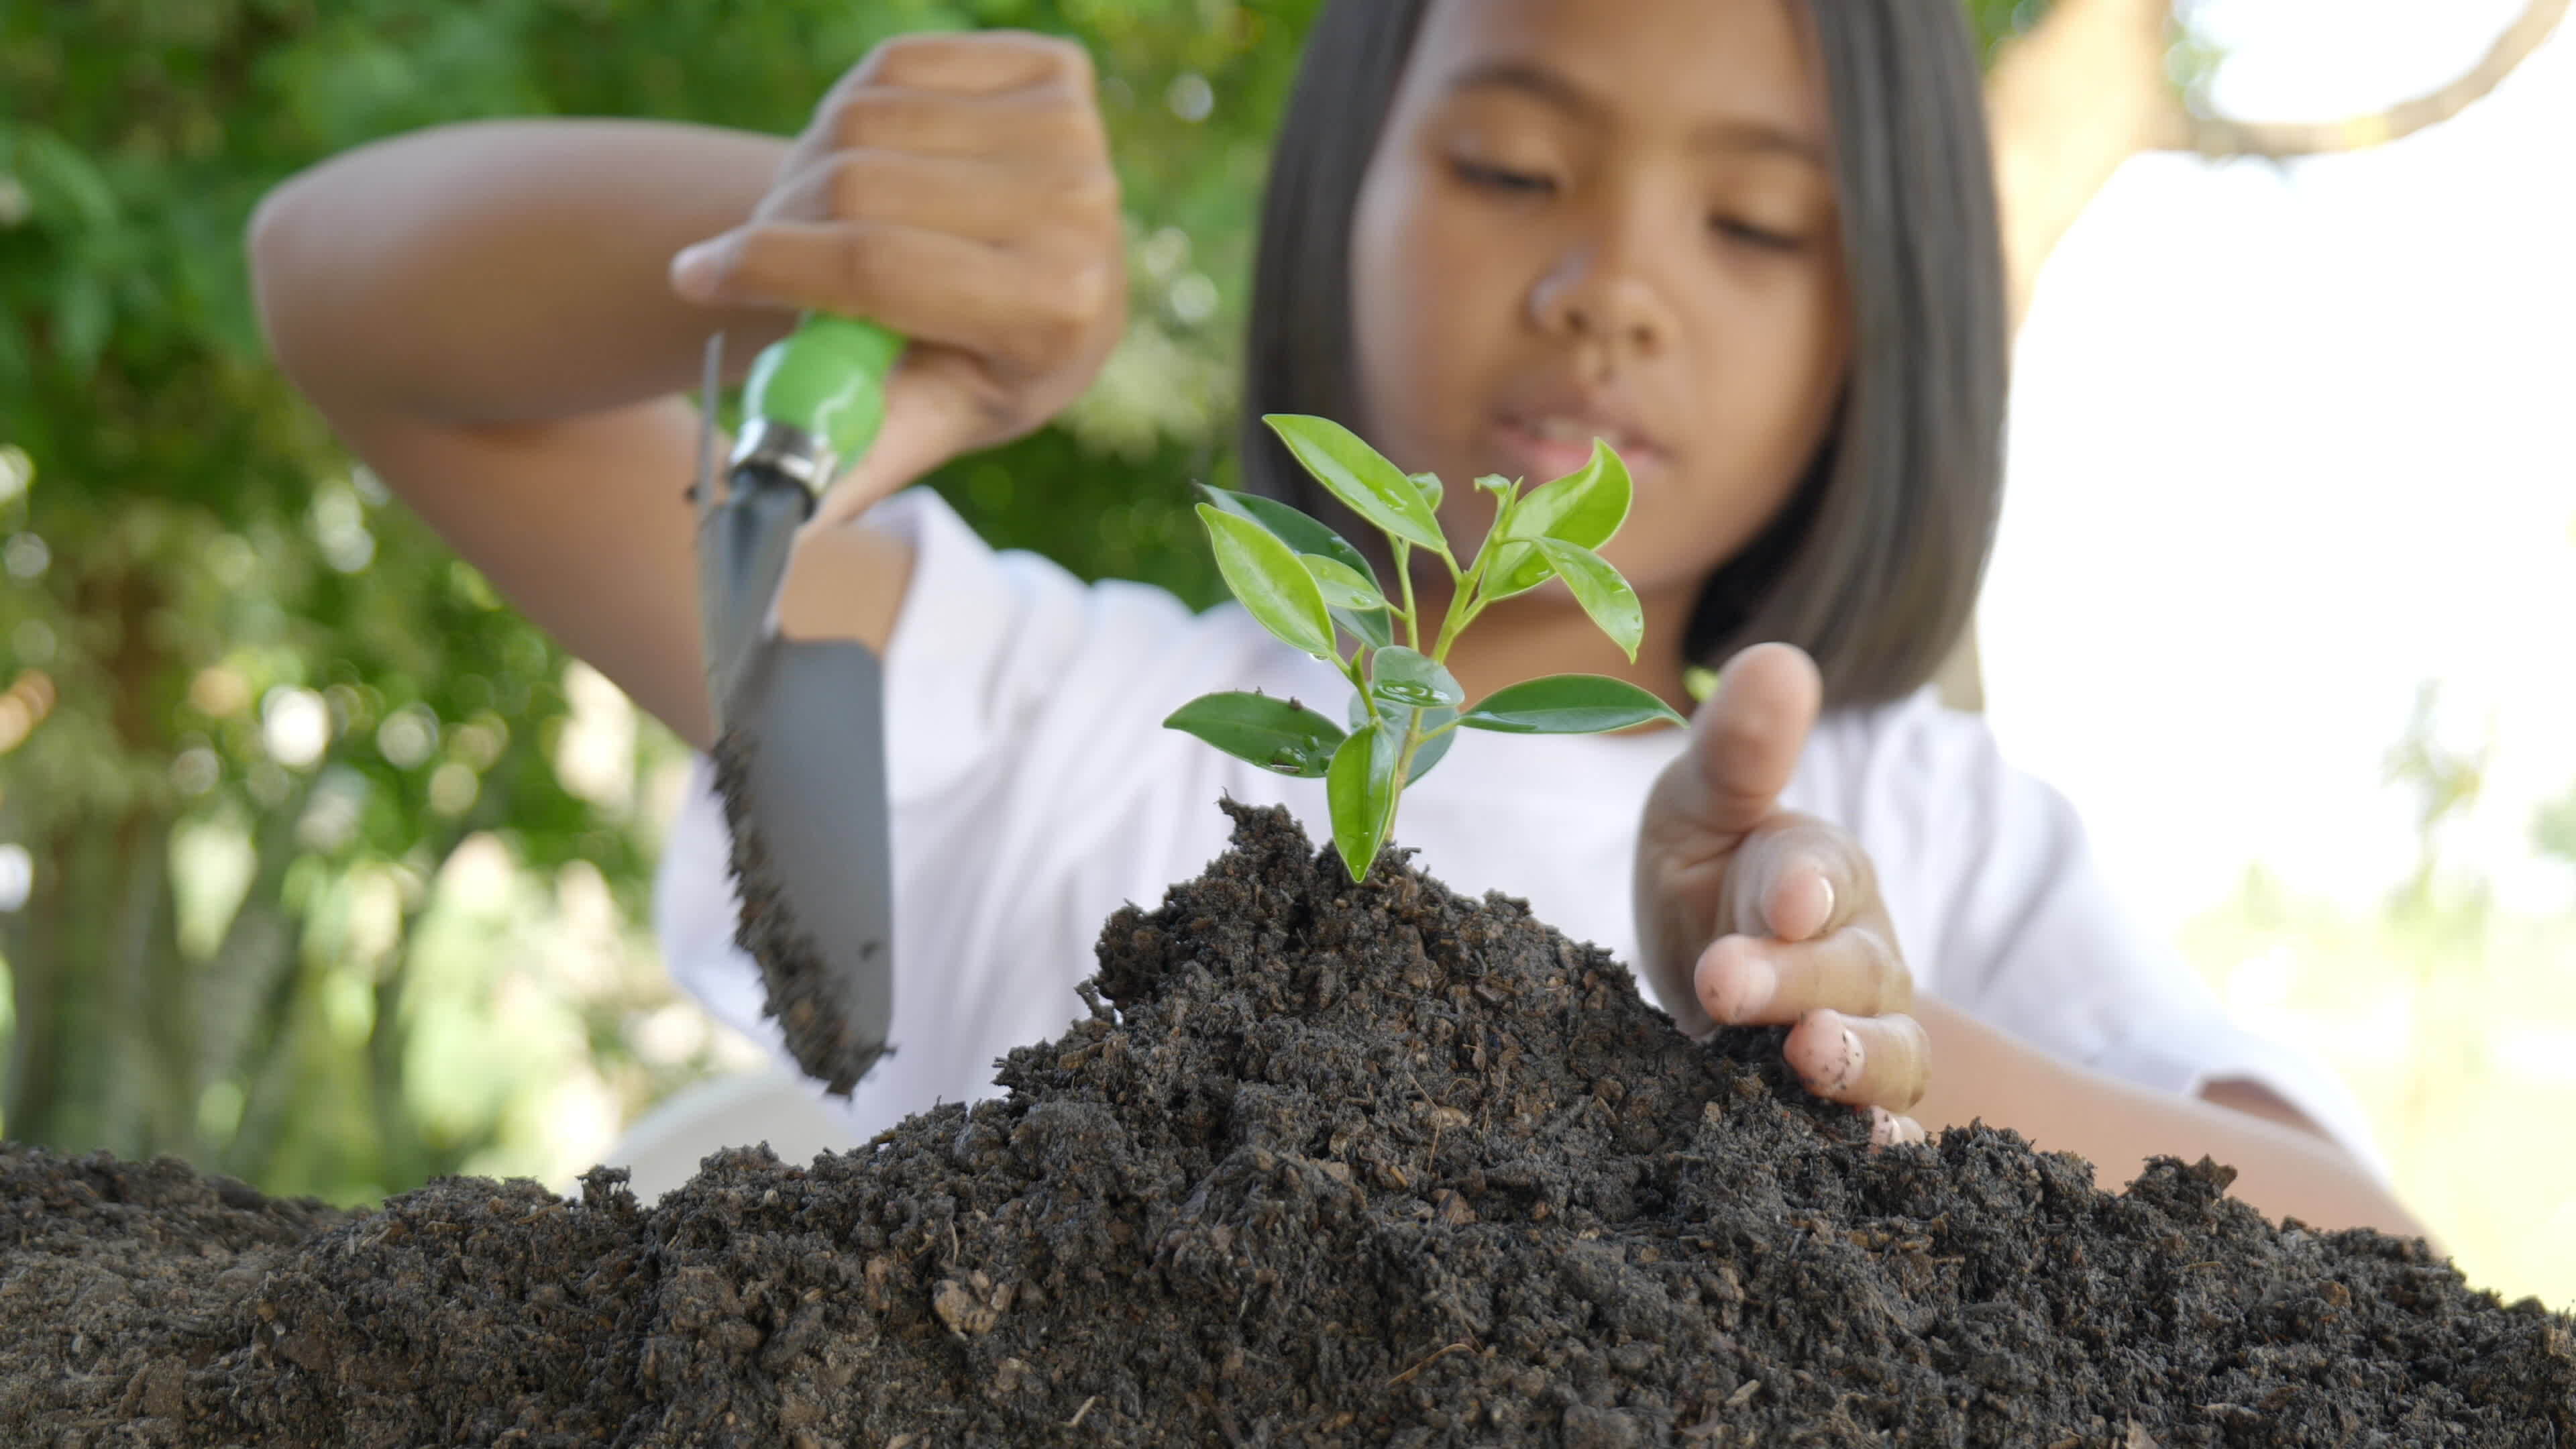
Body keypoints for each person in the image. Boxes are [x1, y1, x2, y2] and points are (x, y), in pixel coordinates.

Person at [247, 0, 2424, 1235]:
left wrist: (1885, 1055)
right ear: (1342, 189)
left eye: (1758, 224)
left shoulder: (1928, 839)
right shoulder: (1058, 726)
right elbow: (349, 300)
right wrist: (811, 238)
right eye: (1507, 171)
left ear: (1899, 327)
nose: (1609, 285)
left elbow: (2390, 1274)